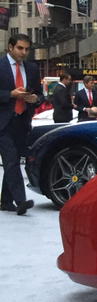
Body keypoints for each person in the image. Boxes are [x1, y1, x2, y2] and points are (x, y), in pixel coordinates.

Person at [1, 34, 42, 214]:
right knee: (11, 160)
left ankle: (6, 202)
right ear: (10, 47)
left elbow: (40, 94)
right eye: (20, 48)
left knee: (15, 160)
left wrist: (35, 99)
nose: (23, 52)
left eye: (26, 49)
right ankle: (21, 201)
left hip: (22, 120)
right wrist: (10, 95)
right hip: (3, 122)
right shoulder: (0, 66)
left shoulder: (32, 69)